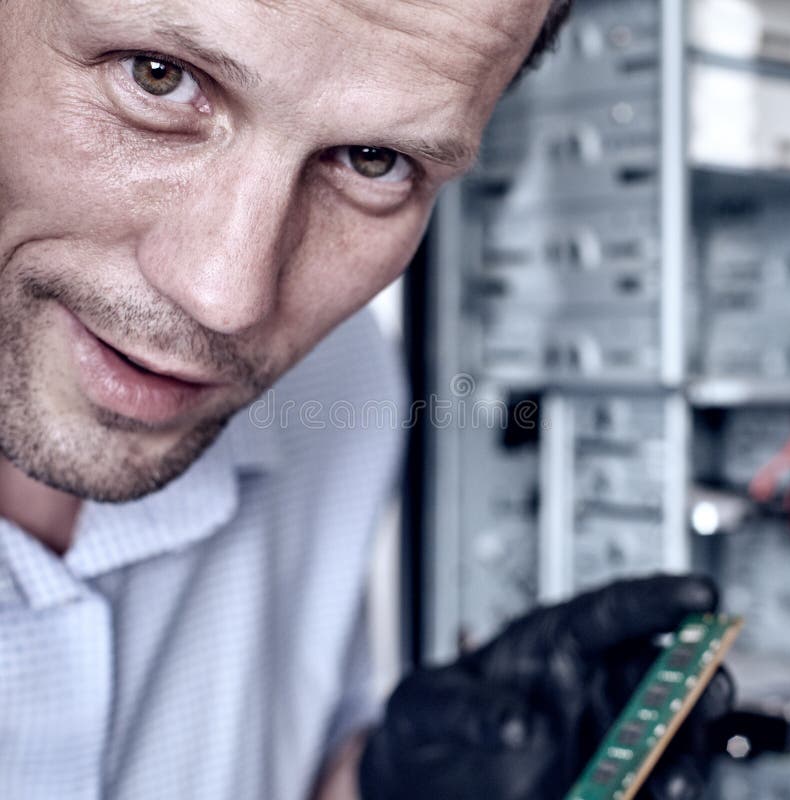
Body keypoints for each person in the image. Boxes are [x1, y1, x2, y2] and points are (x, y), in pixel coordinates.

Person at [0, 1, 732, 798]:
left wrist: (379, 785)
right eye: (159, 78)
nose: (227, 297)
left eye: (374, 159)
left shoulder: (340, 387)